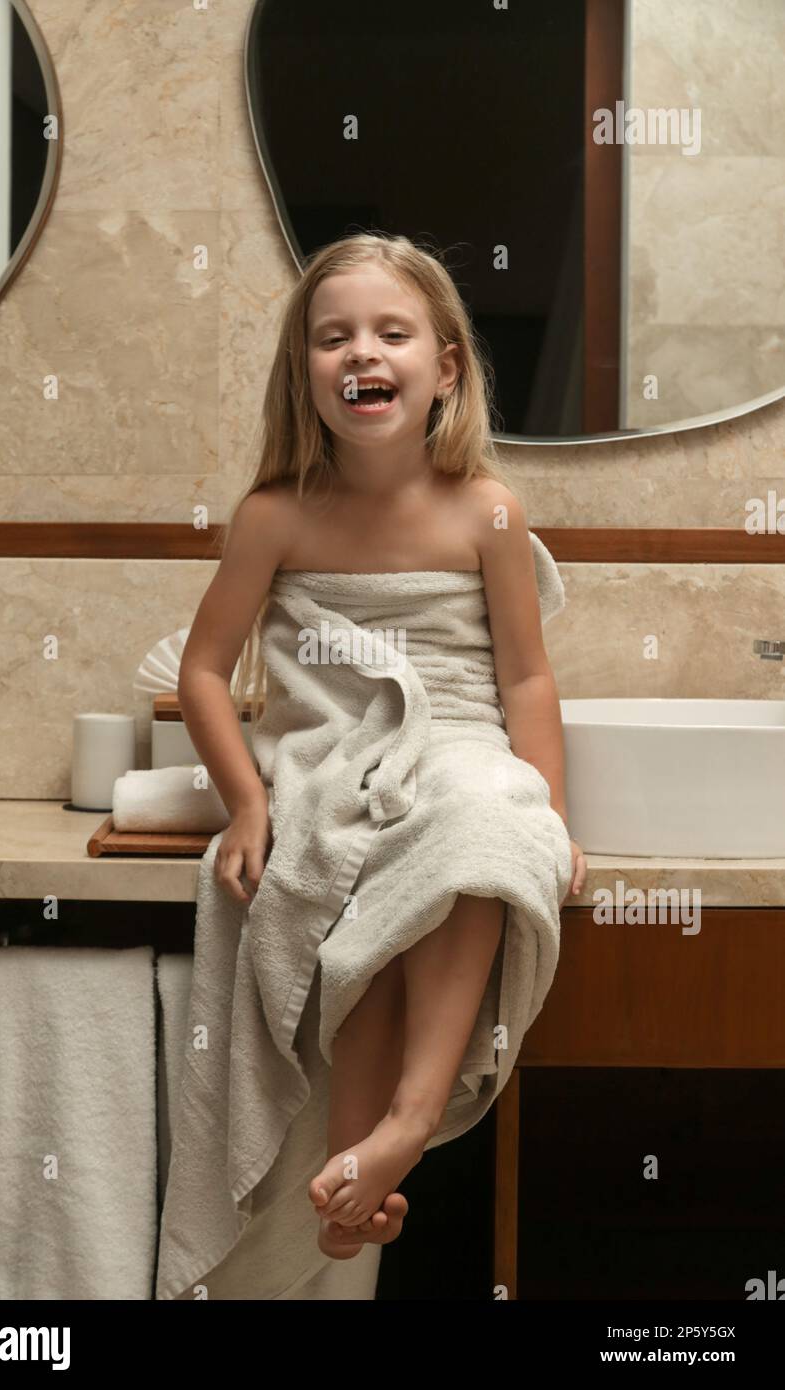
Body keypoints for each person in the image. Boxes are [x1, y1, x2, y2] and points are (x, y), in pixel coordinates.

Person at [176, 230, 587, 1268]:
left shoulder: (484, 511)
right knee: (358, 910)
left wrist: (551, 817)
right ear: (300, 373)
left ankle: (403, 1122)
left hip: (458, 746)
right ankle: (348, 1189)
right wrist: (250, 803)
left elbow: (525, 680)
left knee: (479, 819)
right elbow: (202, 674)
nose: (360, 353)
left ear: (445, 365)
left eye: (390, 332)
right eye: (332, 338)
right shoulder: (275, 518)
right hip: (339, 757)